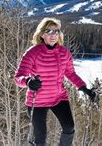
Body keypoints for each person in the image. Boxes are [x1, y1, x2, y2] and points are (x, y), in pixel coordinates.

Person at [14, 17, 97, 146]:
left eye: (56, 31)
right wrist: (28, 81)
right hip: (38, 101)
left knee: (69, 128)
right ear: (42, 34)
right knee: (40, 139)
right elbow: (18, 77)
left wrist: (84, 88)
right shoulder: (32, 52)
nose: (53, 35)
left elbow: (70, 73)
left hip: (58, 97)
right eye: (49, 31)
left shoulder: (64, 53)